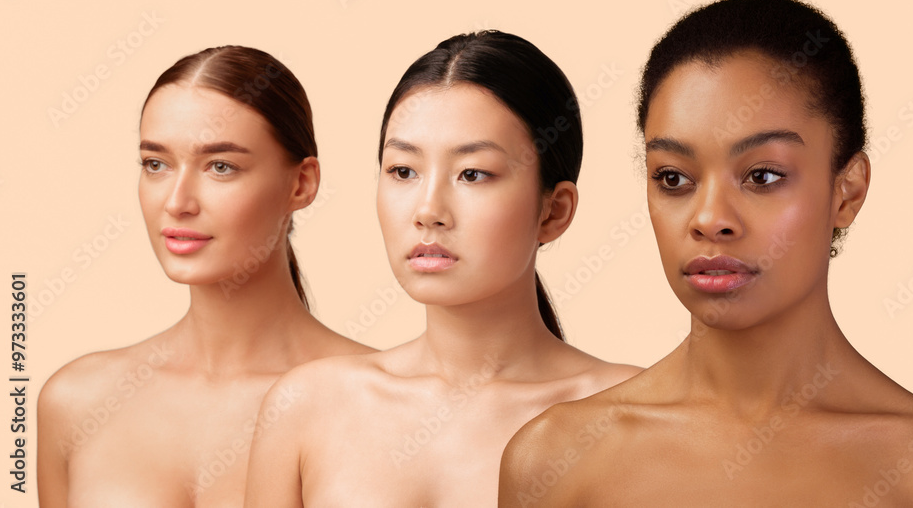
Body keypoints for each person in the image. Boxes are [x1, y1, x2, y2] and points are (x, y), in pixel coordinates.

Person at [499, 0, 913, 506]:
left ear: (846, 192)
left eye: (762, 176)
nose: (710, 218)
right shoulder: (556, 459)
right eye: (673, 178)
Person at [243, 30, 641, 506]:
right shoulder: (307, 406)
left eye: (473, 173)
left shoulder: (633, 415)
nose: (428, 210)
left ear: (553, 211)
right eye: (403, 171)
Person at [37, 45, 374, 507]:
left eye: (221, 167)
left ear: (302, 183)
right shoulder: (75, 401)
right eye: (156, 164)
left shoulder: (382, 404)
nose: (177, 202)